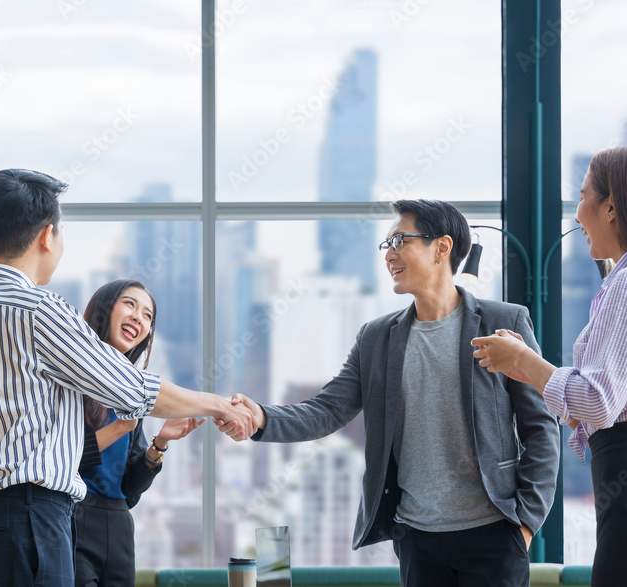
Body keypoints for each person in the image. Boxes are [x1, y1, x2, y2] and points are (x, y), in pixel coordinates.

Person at [0, 169, 254, 587]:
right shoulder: (39, 309)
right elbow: (134, 389)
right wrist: (221, 405)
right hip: (33, 522)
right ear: (47, 236)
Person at [219, 200, 560, 587]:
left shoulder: (504, 321)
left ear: (442, 247)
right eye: (386, 245)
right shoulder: (376, 337)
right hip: (417, 539)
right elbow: (328, 410)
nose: (390, 255)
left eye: (400, 240)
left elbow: (540, 427)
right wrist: (261, 417)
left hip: (494, 533)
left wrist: (525, 523)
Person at [472, 146, 627, 586]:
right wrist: (528, 370)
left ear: (612, 206)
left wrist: (527, 360)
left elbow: (598, 402)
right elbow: (602, 400)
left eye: (583, 198)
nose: (578, 214)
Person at [74, 279, 204, 587]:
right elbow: (62, 457)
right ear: (103, 309)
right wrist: (119, 427)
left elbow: (130, 489)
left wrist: (159, 444)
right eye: (130, 304)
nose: (139, 318)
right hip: (73, 518)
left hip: (118, 523)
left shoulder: (131, 394)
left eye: (148, 315)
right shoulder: (72, 380)